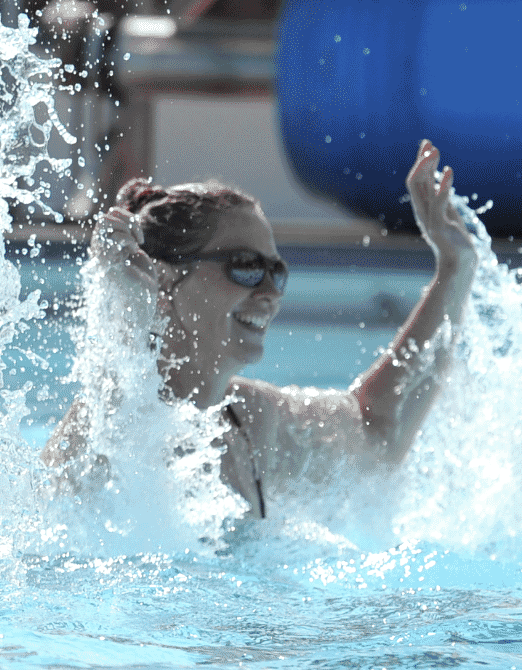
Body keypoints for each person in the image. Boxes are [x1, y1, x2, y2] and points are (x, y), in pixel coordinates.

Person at [45, 141, 481, 519]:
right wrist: (124, 317)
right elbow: (60, 505)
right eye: (246, 267)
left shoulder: (251, 421)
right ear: (163, 279)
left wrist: (455, 269)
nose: (271, 292)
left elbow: (378, 432)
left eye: (277, 272)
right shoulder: (103, 420)